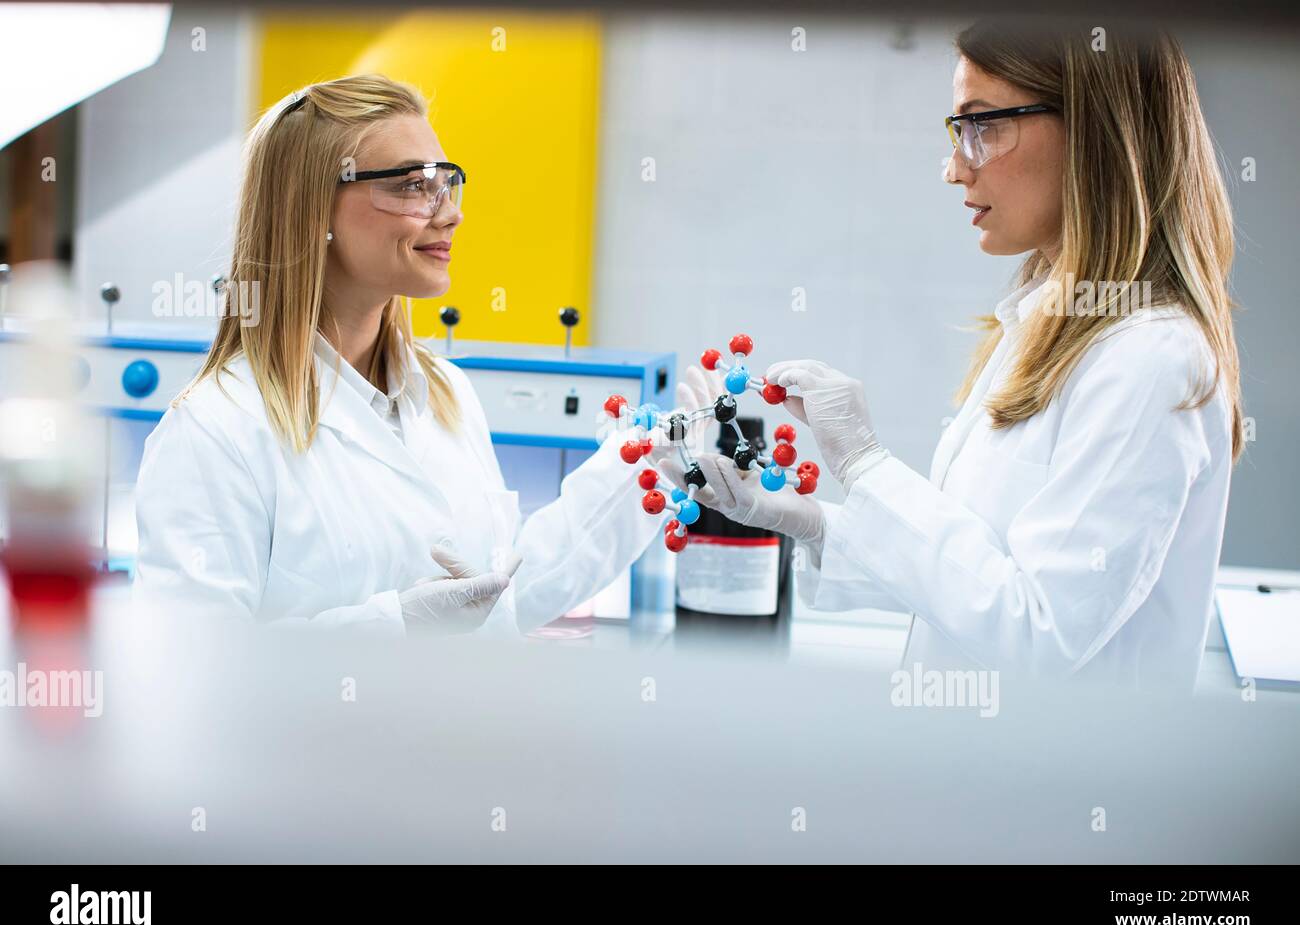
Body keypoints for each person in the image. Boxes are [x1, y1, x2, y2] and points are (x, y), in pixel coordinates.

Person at [657, 22, 1243, 687]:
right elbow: (970, 580)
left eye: (983, 124)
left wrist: (868, 465)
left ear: (1094, 130)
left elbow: (1036, 632)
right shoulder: (1052, 324)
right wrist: (812, 525)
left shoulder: (1151, 359)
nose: (954, 165)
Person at [132, 74, 660, 637]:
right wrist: (392, 628)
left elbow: (502, 594)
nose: (450, 212)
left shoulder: (446, 391)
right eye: (413, 185)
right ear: (313, 210)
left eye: (447, 183)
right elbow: (190, 670)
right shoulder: (218, 428)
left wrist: (644, 471)